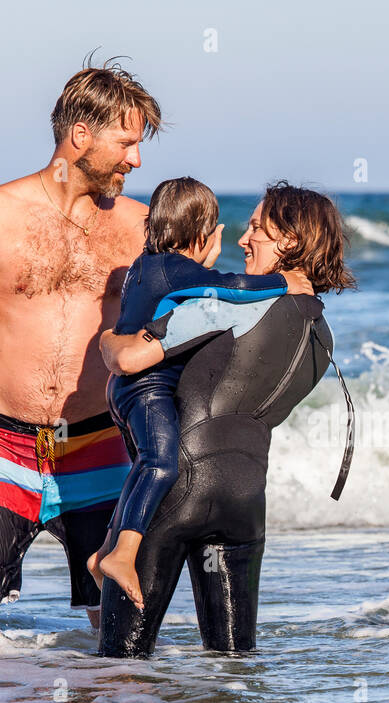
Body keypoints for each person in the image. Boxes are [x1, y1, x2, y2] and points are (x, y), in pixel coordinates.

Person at [0, 60, 161, 639]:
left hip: (99, 445)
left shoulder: (141, 229)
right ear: (80, 135)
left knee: (122, 641)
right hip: (0, 443)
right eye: (126, 143)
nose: (135, 161)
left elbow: (188, 323)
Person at [99, 182, 356, 658]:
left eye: (258, 227)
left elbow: (130, 357)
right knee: (234, 671)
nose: (244, 238)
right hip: (244, 504)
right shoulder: (324, 336)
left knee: (120, 665)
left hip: (175, 494)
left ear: (292, 241)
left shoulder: (228, 306)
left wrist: (107, 339)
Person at [88, 177, 302, 608]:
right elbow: (232, 287)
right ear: (202, 233)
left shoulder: (145, 267)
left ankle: (104, 553)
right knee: (162, 466)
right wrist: (284, 282)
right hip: (147, 387)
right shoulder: (175, 268)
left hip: (127, 391)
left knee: (144, 468)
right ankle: (122, 555)